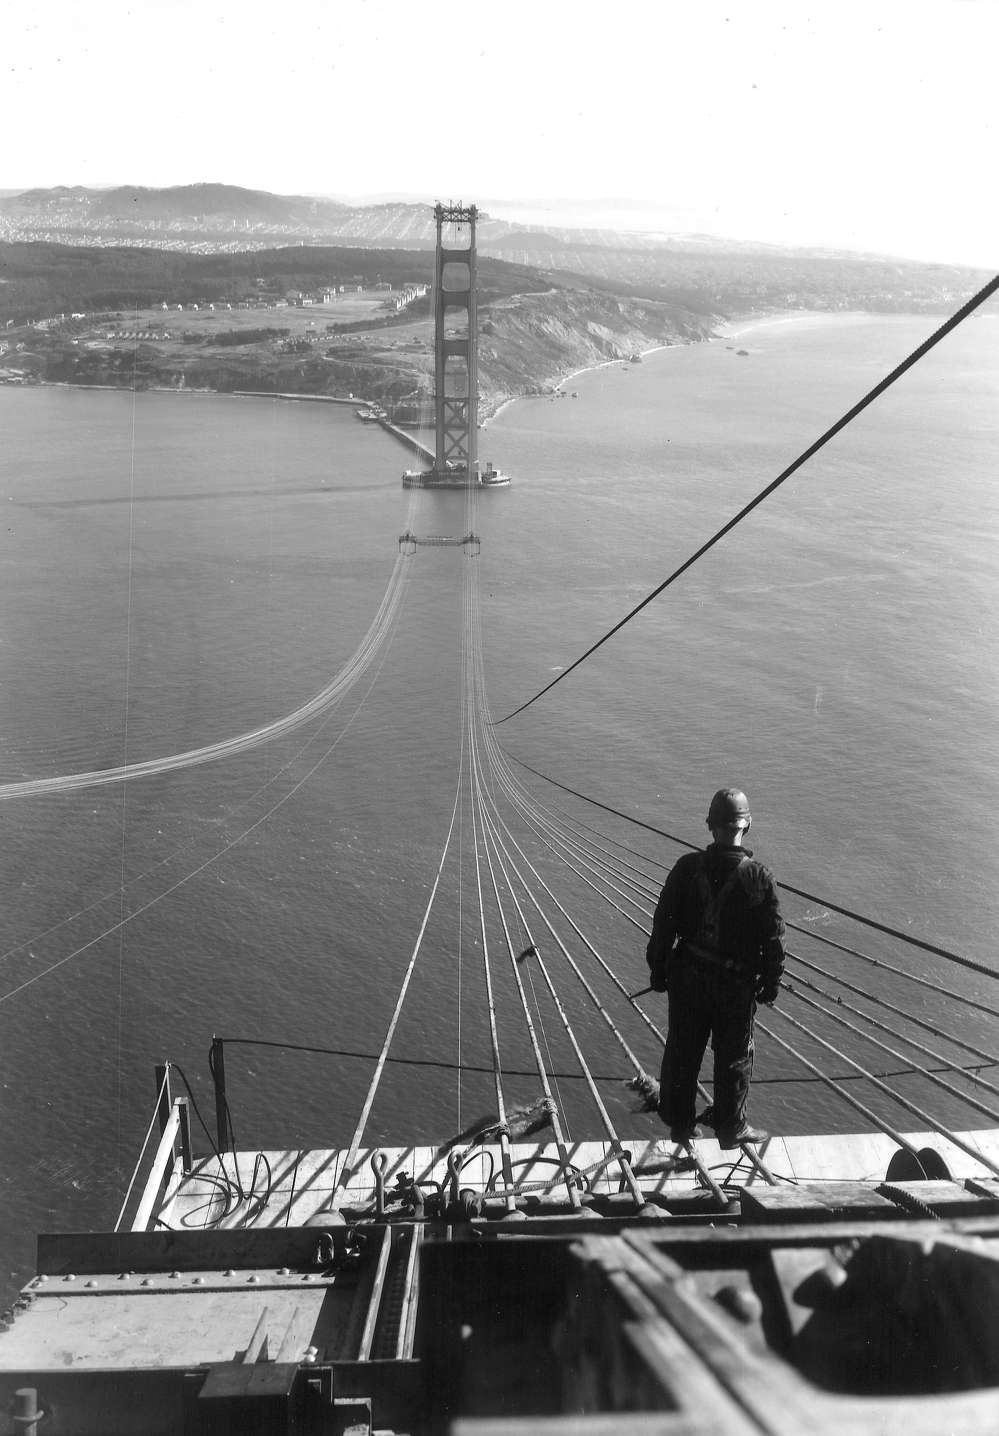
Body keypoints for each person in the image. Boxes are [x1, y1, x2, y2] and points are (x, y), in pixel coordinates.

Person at [646, 788, 785, 1147]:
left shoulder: (686, 869)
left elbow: (663, 924)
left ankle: (680, 1125)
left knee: (682, 1051)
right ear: (747, 825)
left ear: (710, 826)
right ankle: (730, 1128)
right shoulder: (759, 878)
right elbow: (772, 941)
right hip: (734, 987)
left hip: (688, 979)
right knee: (734, 1056)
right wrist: (770, 983)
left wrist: (658, 970)